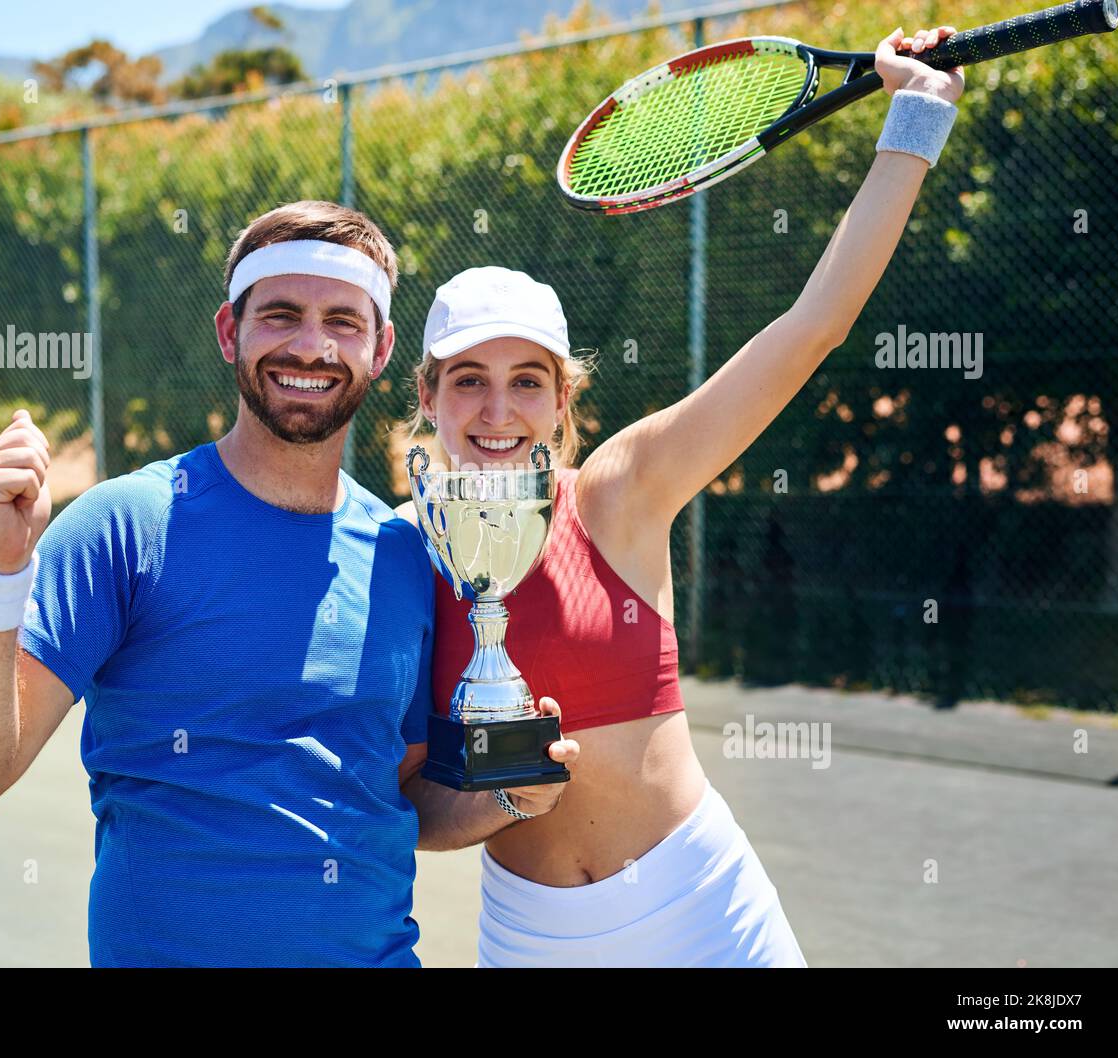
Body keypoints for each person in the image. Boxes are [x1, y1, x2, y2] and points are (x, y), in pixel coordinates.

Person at [398, 26, 966, 966]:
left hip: (706, 915)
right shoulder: (390, 554)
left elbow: (810, 329)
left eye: (527, 380)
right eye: (468, 380)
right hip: (532, 939)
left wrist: (913, 119)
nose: (498, 411)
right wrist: (504, 797)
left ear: (563, 396)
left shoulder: (624, 490)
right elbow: (408, 807)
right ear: (426, 395)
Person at [0, 200, 578, 967]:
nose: (311, 345)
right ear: (230, 331)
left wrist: (508, 792)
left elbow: (396, 797)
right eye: (281, 315)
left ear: (381, 347)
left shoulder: (407, 554)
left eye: (342, 321)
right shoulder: (123, 527)